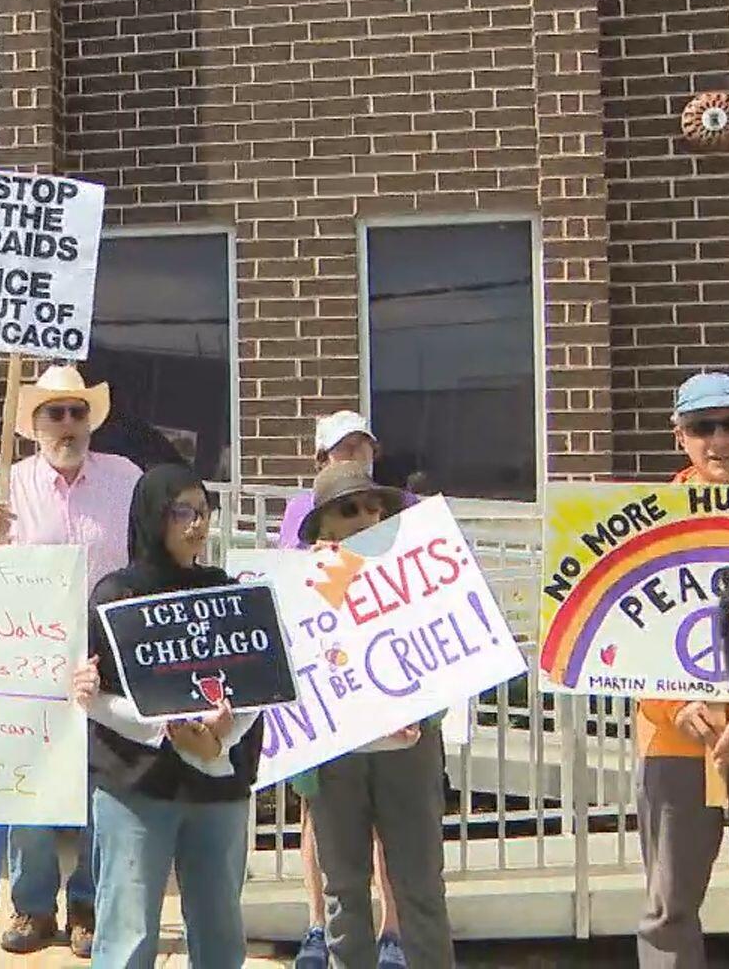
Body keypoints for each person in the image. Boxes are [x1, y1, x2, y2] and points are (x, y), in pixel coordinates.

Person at [0, 364, 140, 958]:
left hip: (108, 657)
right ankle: (32, 906)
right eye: (55, 412)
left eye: (77, 412)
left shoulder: (127, 480)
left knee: (102, 788)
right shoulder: (3, 489)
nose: (68, 424)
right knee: (32, 789)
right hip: (29, 659)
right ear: (33, 425)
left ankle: (89, 905)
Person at [77, 462, 263, 968]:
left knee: (220, 935)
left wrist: (222, 736)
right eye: (182, 511)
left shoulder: (225, 590)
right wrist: (167, 729)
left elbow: (257, 680)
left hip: (217, 787)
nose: (197, 524)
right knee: (128, 933)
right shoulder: (115, 596)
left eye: (203, 511)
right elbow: (92, 695)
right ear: (153, 516)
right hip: (137, 788)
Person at [295, 462, 451, 969]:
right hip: (337, 758)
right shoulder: (299, 586)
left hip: (409, 750)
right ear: (322, 527)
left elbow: (454, 655)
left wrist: (424, 715)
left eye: (374, 506)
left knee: (421, 885)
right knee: (344, 892)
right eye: (349, 509)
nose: (366, 516)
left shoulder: (419, 573)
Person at [271, 411, 407, 969]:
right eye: (343, 447)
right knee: (317, 818)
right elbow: (292, 593)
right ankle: (316, 928)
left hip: (386, 687)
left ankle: (392, 932)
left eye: (362, 446)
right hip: (327, 694)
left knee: (385, 822)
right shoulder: (302, 514)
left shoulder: (402, 511)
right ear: (321, 457)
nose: (355, 455)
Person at [636, 371, 729, 968]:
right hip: (675, 743)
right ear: (679, 434)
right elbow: (626, 640)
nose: (719, 439)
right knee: (668, 907)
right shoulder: (645, 520)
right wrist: (674, 708)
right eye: (702, 426)